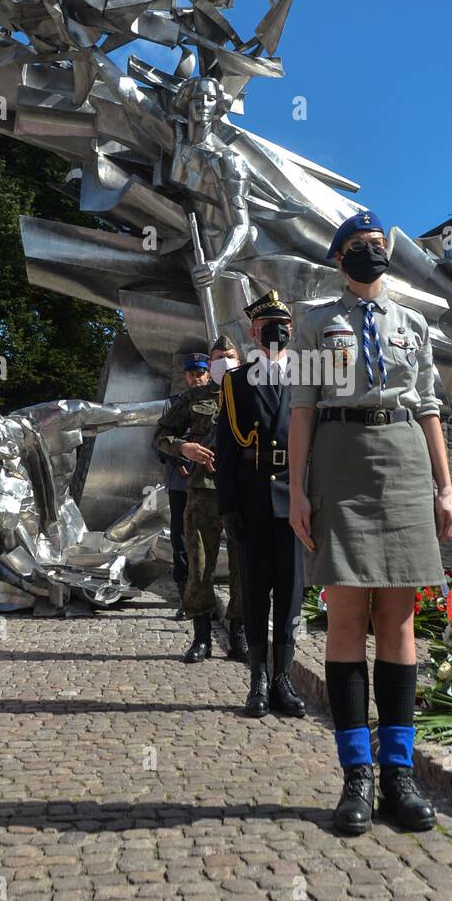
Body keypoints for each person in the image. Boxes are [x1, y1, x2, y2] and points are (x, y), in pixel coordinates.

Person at [287, 208, 452, 836]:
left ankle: (399, 777)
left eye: (377, 244)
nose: (369, 252)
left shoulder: (413, 324)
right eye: (357, 245)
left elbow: (431, 406)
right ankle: (355, 777)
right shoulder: (313, 323)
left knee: (398, 615)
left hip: (405, 459)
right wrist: (298, 491)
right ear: (339, 258)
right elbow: (302, 410)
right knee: (347, 615)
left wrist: (446, 487)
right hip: (339, 462)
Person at [215, 290, 307, 719]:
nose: (278, 331)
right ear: (253, 331)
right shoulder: (234, 382)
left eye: (284, 325)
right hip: (252, 497)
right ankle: (258, 682)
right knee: (255, 592)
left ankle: (284, 680)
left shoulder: (308, 377)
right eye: (269, 325)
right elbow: (226, 448)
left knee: (290, 593)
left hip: (295, 498)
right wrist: (227, 506)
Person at [154, 336, 247, 662]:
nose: (224, 360)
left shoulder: (253, 392)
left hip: (243, 491)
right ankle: (202, 637)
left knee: (243, 567)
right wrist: (185, 448)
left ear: (240, 358)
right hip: (202, 490)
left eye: (230, 355)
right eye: (218, 356)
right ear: (210, 363)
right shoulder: (194, 397)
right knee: (199, 565)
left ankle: (239, 636)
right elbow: (161, 435)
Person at [159, 353, 211, 619]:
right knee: (181, 538)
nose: (196, 377)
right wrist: (178, 459)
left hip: (212, 480)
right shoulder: (174, 404)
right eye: (191, 373)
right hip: (181, 481)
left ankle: (208, 594)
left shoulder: (222, 400)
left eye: (200, 372)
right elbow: (160, 440)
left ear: (208, 373)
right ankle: (185, 597)